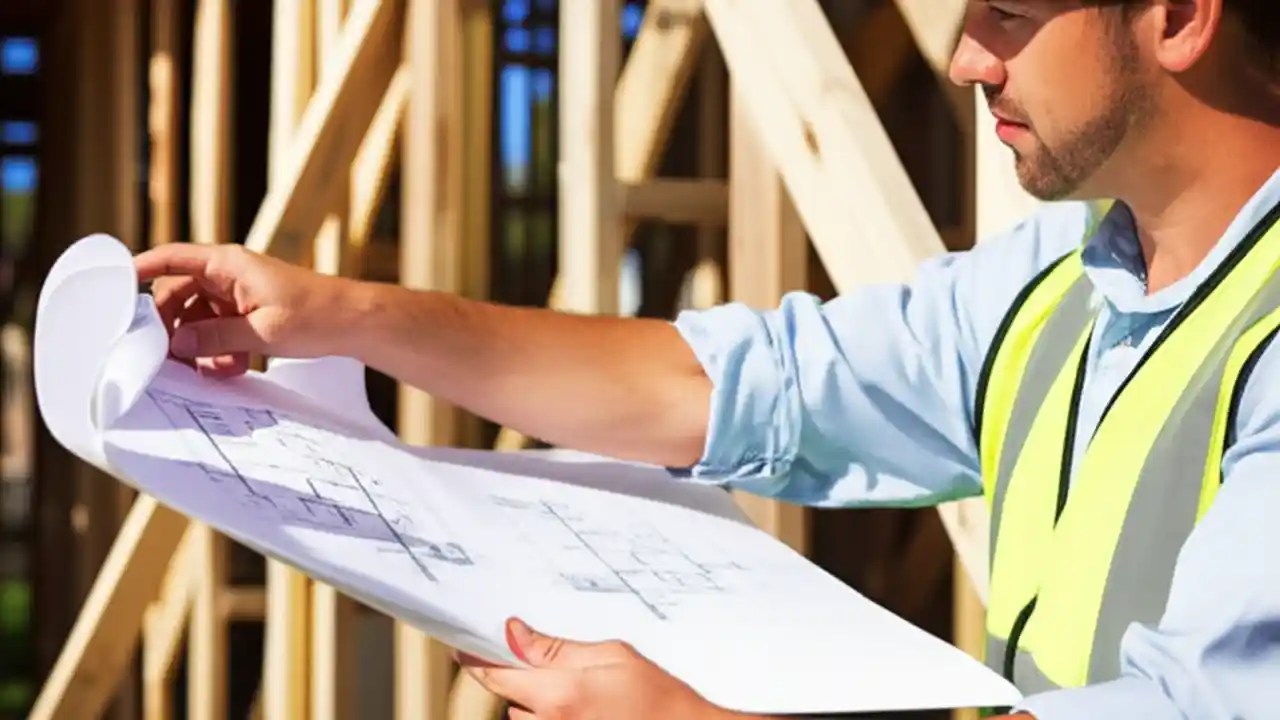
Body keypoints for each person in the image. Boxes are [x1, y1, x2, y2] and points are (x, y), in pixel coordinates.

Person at [132, 0, 1280, 717]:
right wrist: (345, 316)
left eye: (1010, 14)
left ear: (1178, 15)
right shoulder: (1051, 285)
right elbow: (718, 388)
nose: (967, 58)